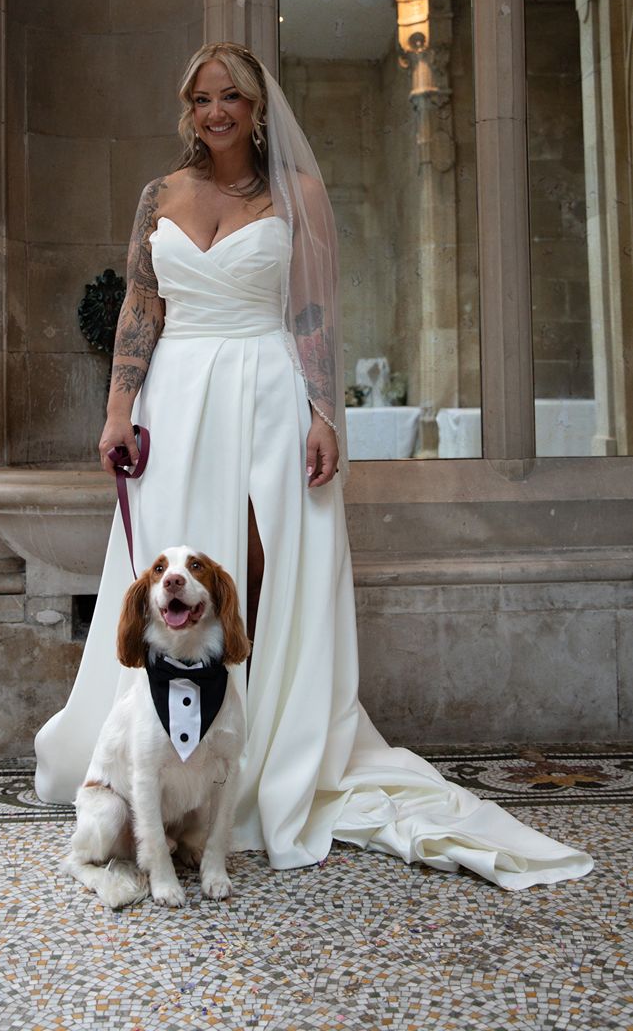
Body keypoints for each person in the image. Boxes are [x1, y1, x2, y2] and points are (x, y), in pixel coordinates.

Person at [35, 43, 592, 889]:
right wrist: (118, 409)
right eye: (200, 98)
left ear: (258, 108)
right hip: (175, 398)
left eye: (230, 97)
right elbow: (141, 305)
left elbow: (312, 312)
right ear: (187, 109)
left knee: (260, 566)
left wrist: (326, 413)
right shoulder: (161, 194)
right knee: (179, 573)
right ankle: (158, 752)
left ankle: (249, 757)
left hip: (266, 388)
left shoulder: (294, 193)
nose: (214, 111)